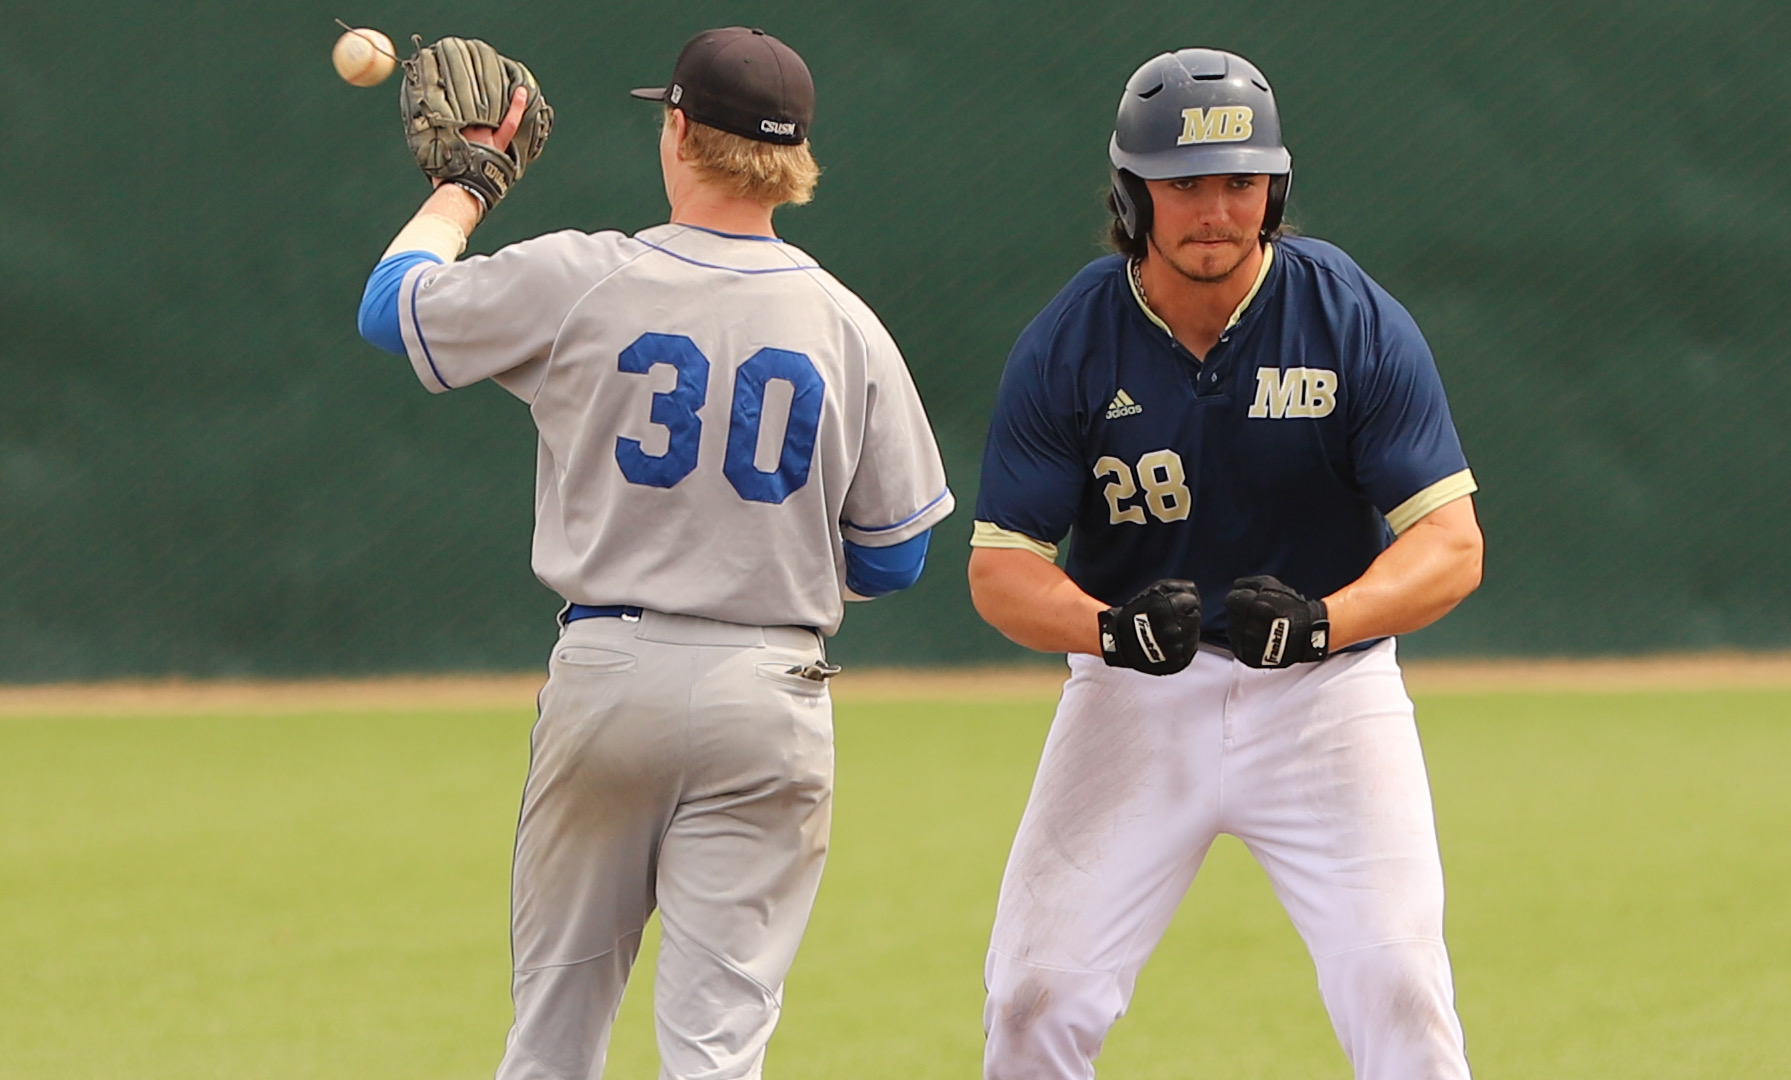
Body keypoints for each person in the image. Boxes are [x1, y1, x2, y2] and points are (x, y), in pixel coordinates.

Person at [355, 27, 953, 1080]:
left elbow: (392, 310)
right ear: (795, 160)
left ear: (678, 130)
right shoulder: (847, 325)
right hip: (773, 690)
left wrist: (470, 185)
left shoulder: (587, 277)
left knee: (552, 1036)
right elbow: (897, 559)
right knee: (717, 1052)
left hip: (612, 674)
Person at [968, 47, 1483, 1080]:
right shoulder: (1073, 339)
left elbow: (1451, 546)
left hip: (1327, 697)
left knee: (1400, 987)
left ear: (1274, 188)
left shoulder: (1348, 315)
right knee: (1036, 998)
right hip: (1133, 695)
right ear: (1132, 193)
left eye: (1239, 182)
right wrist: (1108, 630)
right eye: (1183, 184)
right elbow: (1001, 571)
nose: (1215, 210)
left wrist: (1328, 620)